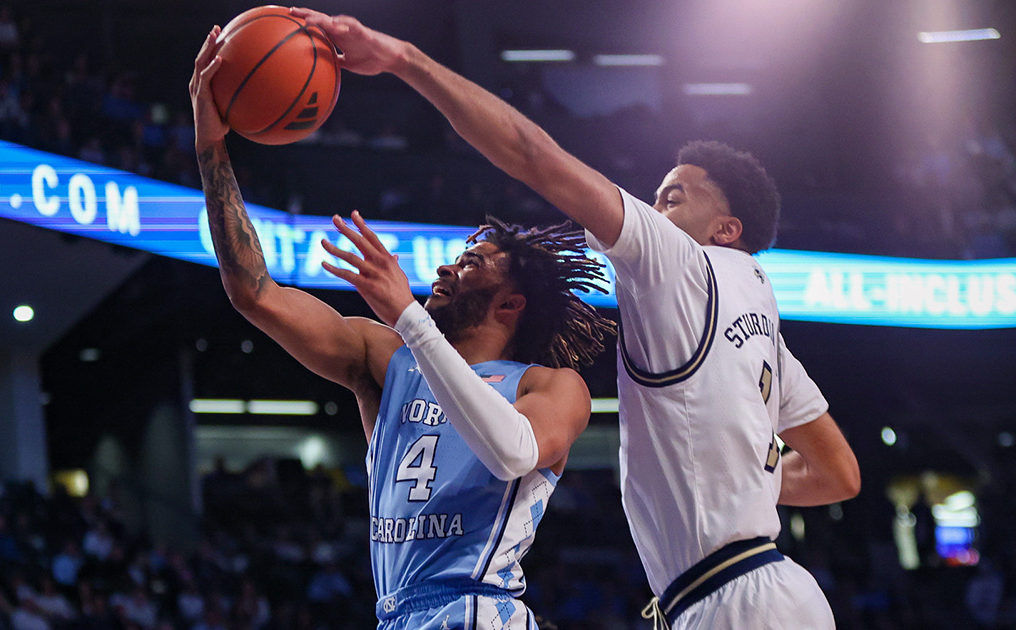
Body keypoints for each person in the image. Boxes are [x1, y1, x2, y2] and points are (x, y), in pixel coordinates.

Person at [288, 9, 862, 629]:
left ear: (726, 230)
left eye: (673, 197)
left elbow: (531, 153)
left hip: (732, 600)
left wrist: (405, 59)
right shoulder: (763, 322)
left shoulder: (677, 261)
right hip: (768, 587)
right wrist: (743, 485)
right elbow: (839, 474)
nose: (654, 206)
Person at [190, 26, 615, 630]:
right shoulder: (385, 356)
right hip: (398, 617)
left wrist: (411, 318)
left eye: (471, 264)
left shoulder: (548, 388)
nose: (446, 266)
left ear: (512, 304)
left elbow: (514, 451)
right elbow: (254, 293)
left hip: (476, 608)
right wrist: (212, 147)